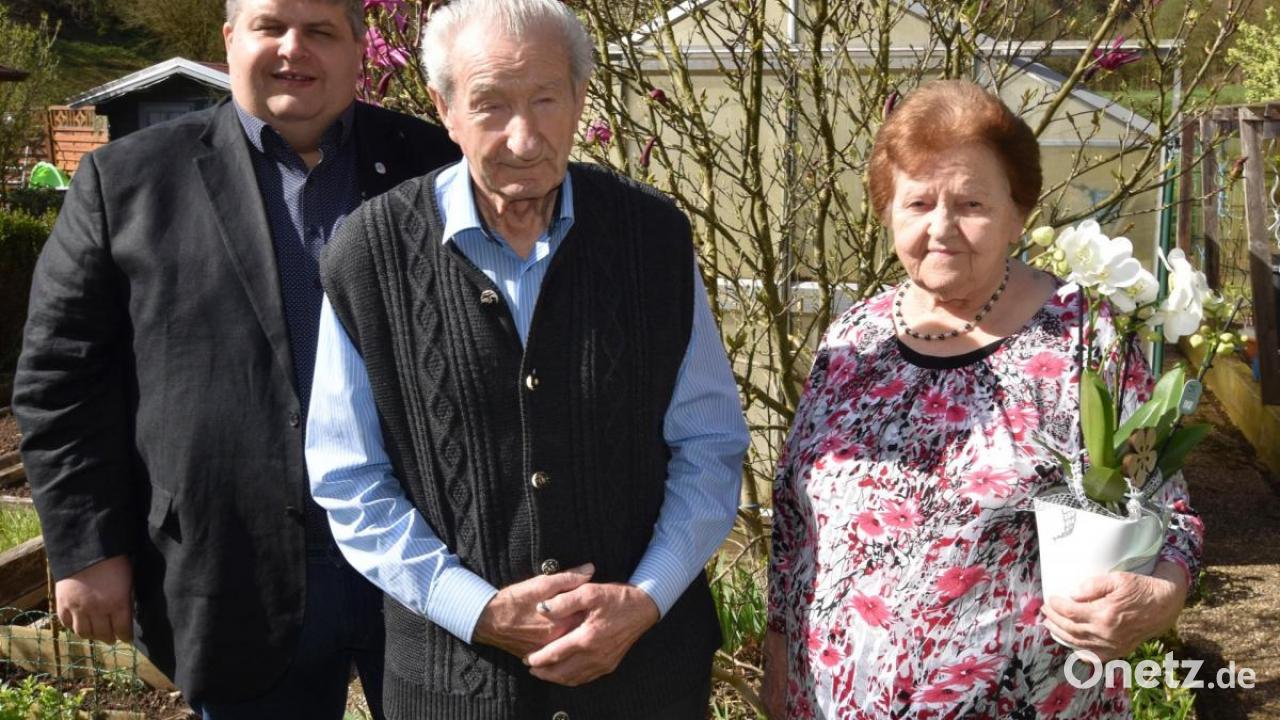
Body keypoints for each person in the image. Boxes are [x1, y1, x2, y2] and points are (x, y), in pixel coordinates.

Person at [11, 0, 459, 716]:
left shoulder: (434, 165)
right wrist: (89, 548)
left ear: (358, 50)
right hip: (230, 563)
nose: (293, 50)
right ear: (229, 40)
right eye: (270, 27)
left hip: (422, 554)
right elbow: (60, 380)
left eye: (320, 31)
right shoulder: (123, 181)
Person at [303, 0, 750, 717]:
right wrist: (476, 610)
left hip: (646, 683)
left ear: (579, 99)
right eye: (489, 105)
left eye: (546, 99)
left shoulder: (653, 239)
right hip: (457, 689)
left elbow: (709, 446)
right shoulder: (369, 256)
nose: (523, 136)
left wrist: (645, 599)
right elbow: (350, 479)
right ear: (443, 108)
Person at [761, 80, 1204, 719]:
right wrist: (779, 682)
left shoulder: (1083, 339)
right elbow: (795, 533)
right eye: (917, 203)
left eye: (971, 202)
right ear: (888, 210)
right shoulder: (851, 339)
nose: (941, 228)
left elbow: (1173, 518)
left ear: (1019, 212)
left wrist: (1157, 595)